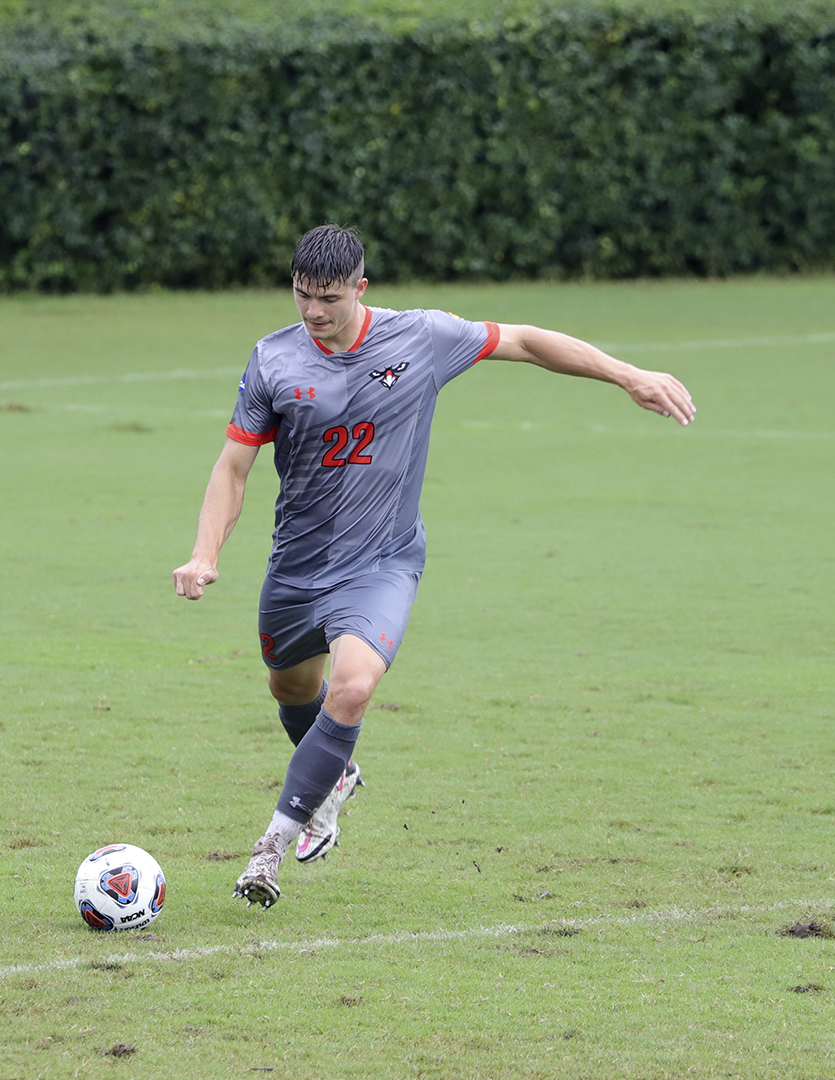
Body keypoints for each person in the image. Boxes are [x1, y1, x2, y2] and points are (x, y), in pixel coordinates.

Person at [172, 225, 695, 909]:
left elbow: (526, 341)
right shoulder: (273, 360)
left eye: (328, 298)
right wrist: (205, 552)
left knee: (353, 688)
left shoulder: (421, 338)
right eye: (302, 296)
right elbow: (233, 467)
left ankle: (268, 850)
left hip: (382, 563)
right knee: (293, 693)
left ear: (361, 288)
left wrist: (628, 374)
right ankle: (334, 776)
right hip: (297, 571)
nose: (313, 313)